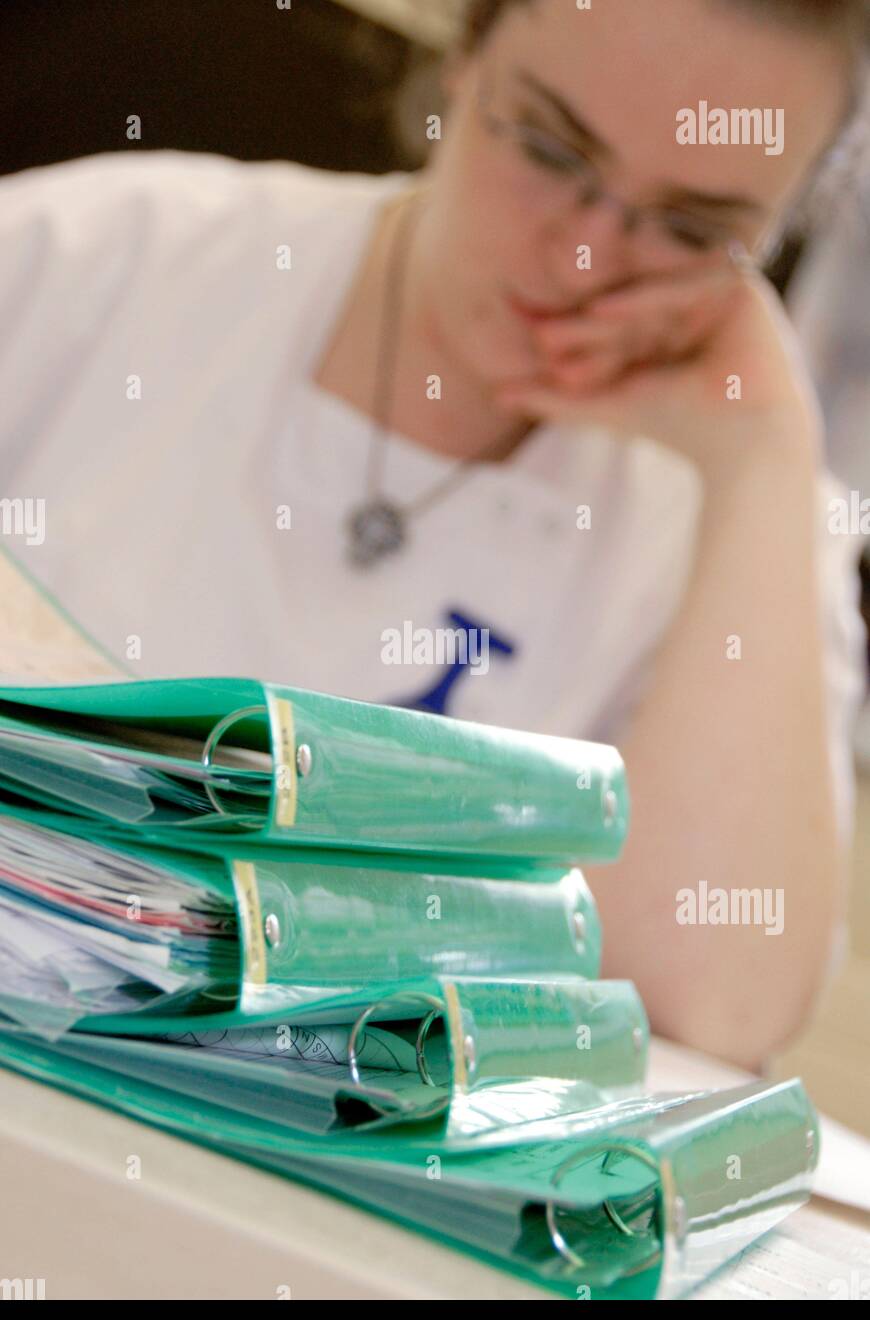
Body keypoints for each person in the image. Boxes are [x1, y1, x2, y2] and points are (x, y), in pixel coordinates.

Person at [0, 0, 867, 1068]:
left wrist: (762, 465)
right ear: (463, 62)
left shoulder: (744, 522)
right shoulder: (98, 258)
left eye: (692, 229)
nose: (590, 260)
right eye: (551, 148)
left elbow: (713, 1018)